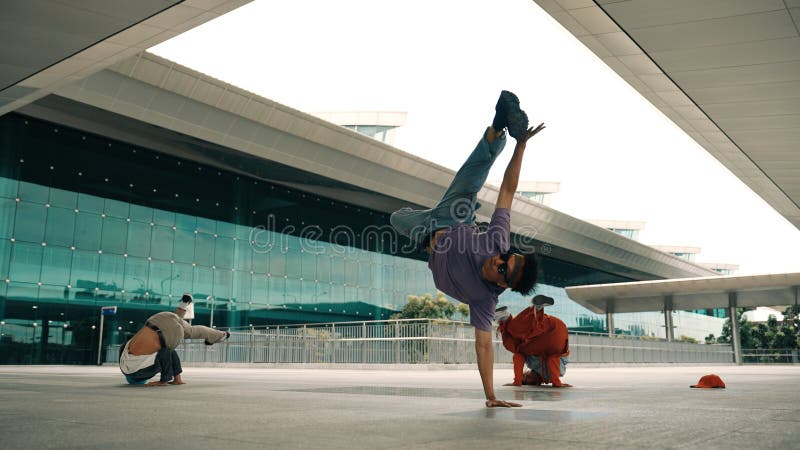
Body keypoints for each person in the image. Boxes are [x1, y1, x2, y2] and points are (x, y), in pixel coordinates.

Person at [390, 91, 545, 407]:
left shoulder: (484, 300)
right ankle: (500, 124)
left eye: (502, 270)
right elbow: (508, 190)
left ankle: (498, 133)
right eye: (505, 258)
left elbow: (484, 346)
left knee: (396, 218)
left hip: (425, 235)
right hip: (452, 216)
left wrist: (491, 396)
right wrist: (521, 146)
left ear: (503, 285)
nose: (497, 260)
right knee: (472, 177)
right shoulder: (498, 241)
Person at [118, 294, 229, 386]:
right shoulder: (124, 362)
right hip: (157, 319)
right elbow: (124, 345)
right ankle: (184, 306)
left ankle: (168, 380)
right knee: (186, 327)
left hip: (167, 334)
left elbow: (165, 352)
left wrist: (163, 381)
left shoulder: (137, 372)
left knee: (169, 347)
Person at [496, 295, 571, 387]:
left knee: (515, 345)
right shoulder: (559, 373)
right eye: (527, 378)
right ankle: (537, 310)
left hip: (544, 335)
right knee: (553, 348)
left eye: (525, 376)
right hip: (556, 334)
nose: (527, 376)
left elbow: (518, 356)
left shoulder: (531, 363)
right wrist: (557, 382)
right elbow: (554, 358)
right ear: (537, 383)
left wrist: (517, 381)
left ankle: (505, 319)